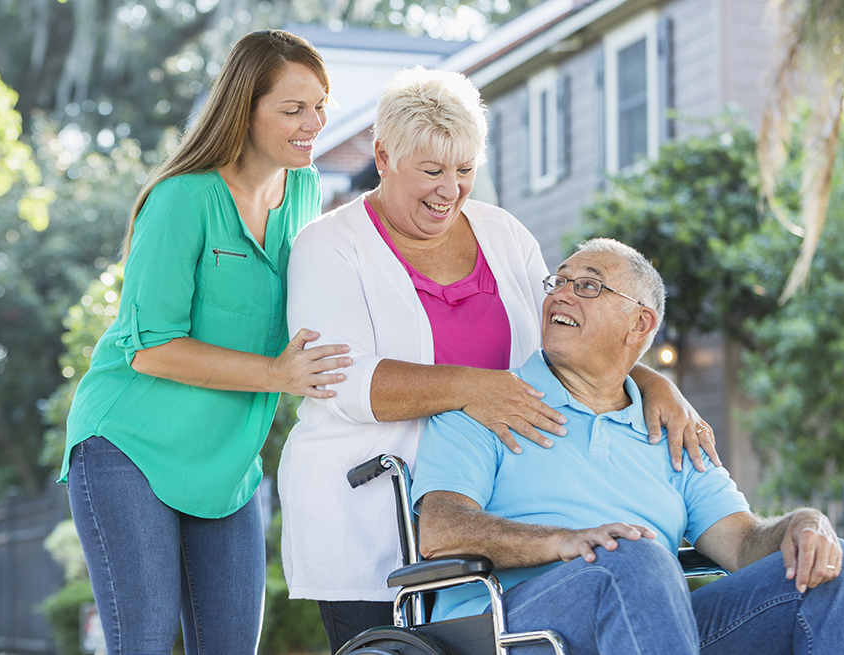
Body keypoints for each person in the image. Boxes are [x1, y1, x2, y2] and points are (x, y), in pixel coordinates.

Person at [278, 67, 721, 653]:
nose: (450, 189)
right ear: (383, 157)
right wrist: (472, 387)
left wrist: (650, 379)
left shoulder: (502, 234)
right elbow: (339, 379)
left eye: (464, 170)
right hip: (373, 523)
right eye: (432, 171)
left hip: (496, 516)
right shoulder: (329, 245)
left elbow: (564, 338)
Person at [411, 238, 844, 654]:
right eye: (558, 282)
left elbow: (743, 545)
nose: (561, 294)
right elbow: (439, 531)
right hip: (507, 630)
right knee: (631, 554)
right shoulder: (490, 403)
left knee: (829, 566)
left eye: (589, 286)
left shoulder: (672, 431)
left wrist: (800, 525)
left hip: (655, 630)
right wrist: (562, 542)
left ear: (639, 324)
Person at [58, 30, 353, 655]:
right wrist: (277, 374)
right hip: (130, 446)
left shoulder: (304, 192)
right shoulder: (181, 199)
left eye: (320, 104)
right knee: (145, 640)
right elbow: (150, 348)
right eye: (293, 109)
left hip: (227, 464)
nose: (314, 124)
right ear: (245, 111)